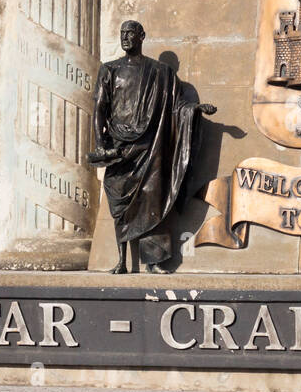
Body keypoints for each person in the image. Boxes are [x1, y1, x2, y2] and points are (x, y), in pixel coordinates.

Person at [88, 20, 215, 273]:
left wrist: (195, 109)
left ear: (142, 36)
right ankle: (121, 261)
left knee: (153, 202)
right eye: (122, 33)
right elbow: (99, 110)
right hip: (120, 149)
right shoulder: (109, 70)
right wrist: (101, 145)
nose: (126, 38)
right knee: (120, 205)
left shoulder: (161, 73)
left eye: (131, 33)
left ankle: (154, 261)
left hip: (150, 147)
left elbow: (175, 108)